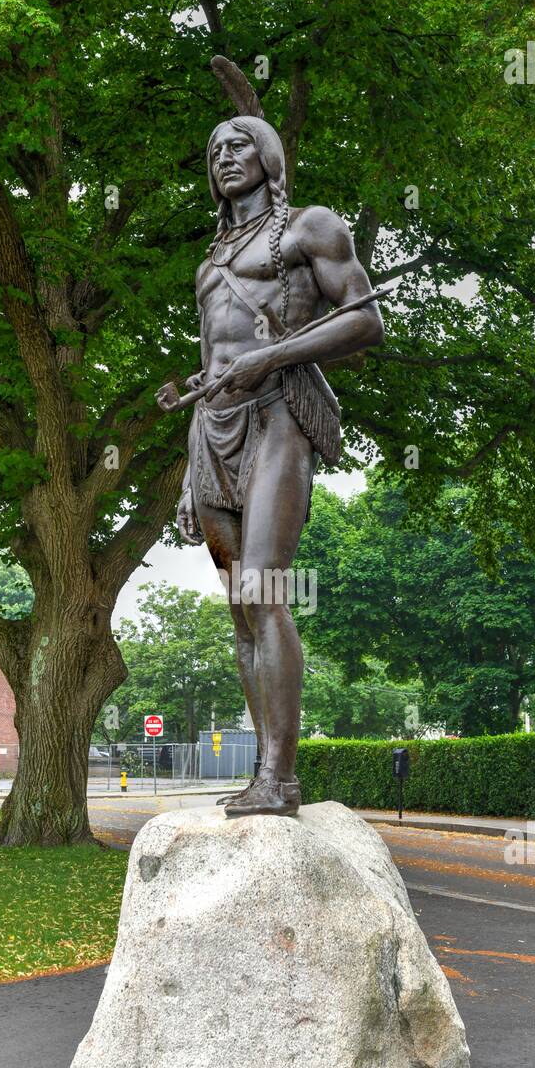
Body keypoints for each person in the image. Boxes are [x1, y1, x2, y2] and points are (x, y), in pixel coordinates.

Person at [157, 115, 384, 815]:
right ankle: (265, 774)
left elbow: (366, 320)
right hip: (212, 428)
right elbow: (211, 359)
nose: (226, 157)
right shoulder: (213, 254)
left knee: (263, 591)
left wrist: (273, 355)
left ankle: (282, 780)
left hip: (280, 413)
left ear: (269, 156)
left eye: (239, 145)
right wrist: (189, 472)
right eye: (214, 149)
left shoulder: (310, 227)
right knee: (239, 614)